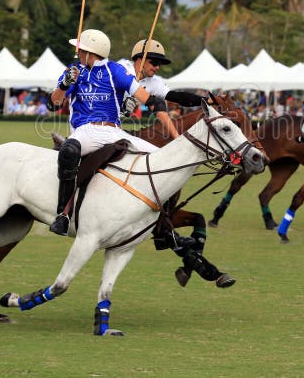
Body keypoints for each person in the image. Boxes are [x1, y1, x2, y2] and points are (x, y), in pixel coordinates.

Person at [118, 38, 233, 288]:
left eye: (160, 63)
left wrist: (205, 101)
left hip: (118, 130)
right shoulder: (121, 70)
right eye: (154, 61)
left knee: (158, 162)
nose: (157, 67)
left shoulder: (153, 83)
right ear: (139, 58)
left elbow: (176, 96)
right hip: (94, 125)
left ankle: (161, 224)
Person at [48, 29, 175, 236]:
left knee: (164, 160)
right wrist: (65, 84)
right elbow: (53, 104)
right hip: (85, 131)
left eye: (81, 50)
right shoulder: (74, 70)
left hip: (114, 132)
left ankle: (163, 227)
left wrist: (143, 104)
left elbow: (149, 99)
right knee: (69, 150)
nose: (77, 53)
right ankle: (63, 215)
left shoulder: (115, 70)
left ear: (91, 52)